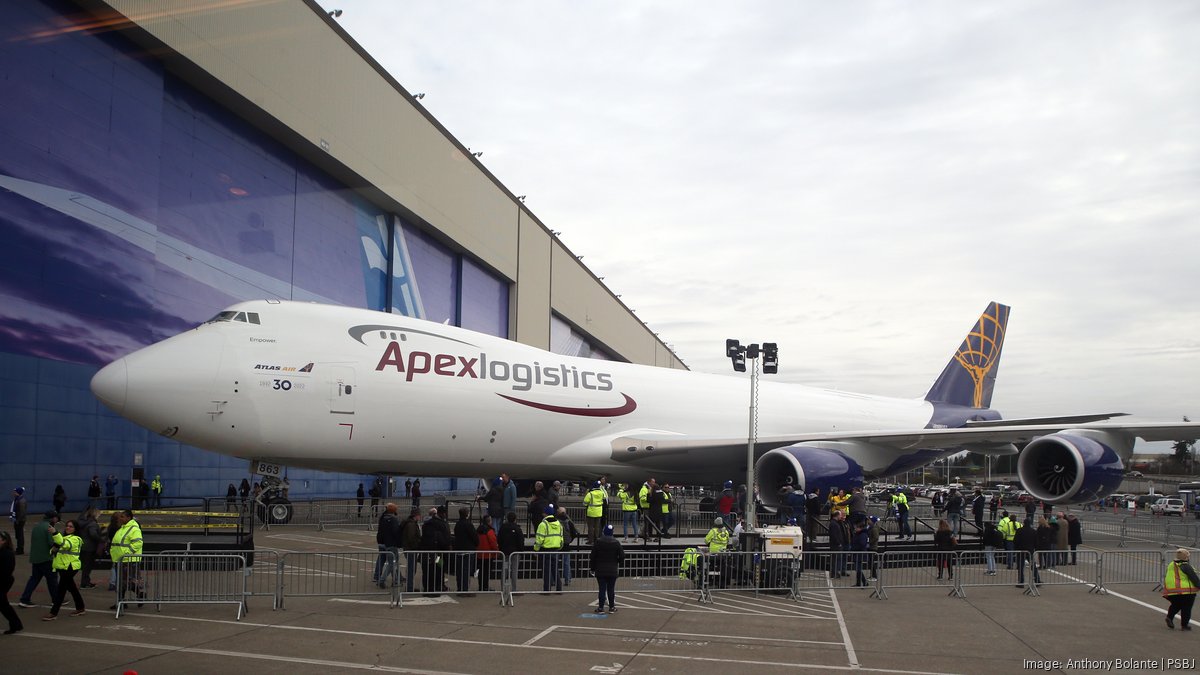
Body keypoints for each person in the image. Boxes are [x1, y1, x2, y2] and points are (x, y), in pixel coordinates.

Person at [43, 519, 85, 620]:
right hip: (63, 567)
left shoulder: (76, 539)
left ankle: (53, 612)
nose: (68, 528)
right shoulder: (64, 538)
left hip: (70, 567)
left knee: (61, 590)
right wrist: (53, 550)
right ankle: (80, 607)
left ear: (75, 529)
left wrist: (55, 533)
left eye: (71, 526)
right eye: (67, 525)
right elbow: (56, 548)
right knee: (72, 588)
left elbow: (65, 544)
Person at [17, 510, 60, 608]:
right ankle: (56, 599)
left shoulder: (37, 527)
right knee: (52, 580)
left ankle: (25, 599)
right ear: (53, 518)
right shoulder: (49, 528)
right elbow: (52, 543)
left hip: (36, 558)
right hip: (46, 558)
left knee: (34, 579)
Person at [109, 509, 144, 609]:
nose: (120, 518)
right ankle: (126, 600)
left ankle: (122, 602)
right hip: (119, 560)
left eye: (122, 516)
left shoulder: (133, 529)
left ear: (129, 518)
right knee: (122, 582)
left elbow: (138, 543)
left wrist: (126, 554)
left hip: (128, 560)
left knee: (124, 582)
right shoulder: (122, 528)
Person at [1163, 548, 1199, 630]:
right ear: (1186, 557)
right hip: (1186, 591)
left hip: (1173, 591)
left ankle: (1169, 617)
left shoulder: (1172, 564)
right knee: (1186, 608)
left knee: (1176, 605)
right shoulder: (1186, 566)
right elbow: (1194, 578)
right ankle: (1184, 625)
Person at [591, 524, 624, 613]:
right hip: (612, 569)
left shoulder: (598, 542)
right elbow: (622, 556)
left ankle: (601, 607)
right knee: (611, 589)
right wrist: (617, 562)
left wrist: (592, 568)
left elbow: (593, 556)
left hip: (600, 569)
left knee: (602, 589)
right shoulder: (616, 542)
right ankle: (612, 607)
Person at [418, 507, 450, 595]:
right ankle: (437, 587)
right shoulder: (441, 524)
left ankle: (430, 588)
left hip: (428, 552)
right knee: (438, 569)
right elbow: (445, 540)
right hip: (438, 553)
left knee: (429, 571)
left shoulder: (427, 524)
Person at [534, 504, 564, 592]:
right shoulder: (558, 523)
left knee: (546, 571)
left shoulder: (543, 524)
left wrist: (536, 549)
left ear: (545, 514)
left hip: (545, 550)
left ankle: (547, 589)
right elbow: (561, 537)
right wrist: (559, 547)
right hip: (555, 549)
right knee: (555, 570)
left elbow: (539, 539)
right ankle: (559, 589)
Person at [451, 507, 478, 595]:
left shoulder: (458, 524)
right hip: (468, 550)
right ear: (467, 514)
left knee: (460, 571)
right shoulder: (468, 524)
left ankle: (460, 588)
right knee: (466, 571)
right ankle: (465, 590)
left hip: (459, 550)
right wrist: (476, 544)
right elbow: (474, 536)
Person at [374, 503, 402, 588]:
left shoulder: (383, 518)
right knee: (392, 563)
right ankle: (382, 580)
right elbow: (396, 532)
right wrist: (400, 542)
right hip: (391, 544)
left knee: (391, 562)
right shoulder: (393, 519)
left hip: (383, 542)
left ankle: (396, 581)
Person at [497, 512, 525, 593]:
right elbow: (520, 541)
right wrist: (521, 551)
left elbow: (499, 539)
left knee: (504, 570)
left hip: (505, 552)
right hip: (515, 552)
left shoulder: (502, 527)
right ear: (515, 519)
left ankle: (503, 588)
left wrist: (501, 548)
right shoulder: (517, 528)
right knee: (514, 570)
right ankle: (514, 589)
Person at [0, 532, 21, 635]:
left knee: (3, 604)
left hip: (4, 581)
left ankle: (15, 624)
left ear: (4, 541)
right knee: (3, 605)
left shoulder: (7, 553)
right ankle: (16, 624)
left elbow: (6, 571)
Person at [77, 507, 102, 589]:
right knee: (88, 566)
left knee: (85, 566)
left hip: (83, 546)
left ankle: (85, 582)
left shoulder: (83, 522)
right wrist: (100, 539)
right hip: (90, 547)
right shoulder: (92, 524)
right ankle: (85, 583)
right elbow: (93, 534)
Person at [556, 506, 581, 586]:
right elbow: (574, 533)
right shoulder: (568, 521)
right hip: (566, 544)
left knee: (555, 563)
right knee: (566, 563)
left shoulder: (556, 521)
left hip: (557, 544)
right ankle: (567, 580)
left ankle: (554, 580)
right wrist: (570, 540)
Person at [399, 508, 422, 592]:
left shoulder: (409, 523)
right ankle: (409, 587)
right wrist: (418, 545)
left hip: (408, 548)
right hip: (411, 549)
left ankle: (410, 586)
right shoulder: (411, 524)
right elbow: (411, 538)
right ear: (416, 515)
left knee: (411, 568)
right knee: (411, 569)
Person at [1014, 517, 1041, 587]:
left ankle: (1021, 582)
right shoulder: (1033, 531)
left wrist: (1016, 548)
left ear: (1024, 523)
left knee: (1020, 567)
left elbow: (1015, 541)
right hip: (1030, 550)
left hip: (1021, 550)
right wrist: (1035, 548)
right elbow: (1036, 542)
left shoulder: (1019, 530)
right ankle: (1037, 580)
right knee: (1033, 566)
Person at [476, 516, 499, 592]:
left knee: (481, 571)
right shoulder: (490, 531)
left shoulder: (478, 530)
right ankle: (485, 586)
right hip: (488, 554)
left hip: (479, 553)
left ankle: (481, 586)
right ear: (489, 521)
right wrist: (496, 551)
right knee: (486, 572)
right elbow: (493, 542)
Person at [828, 510, 850, 578]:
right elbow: (834, 535)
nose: (841, 516)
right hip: (836, 545)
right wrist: (838, 543)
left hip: (838, 544)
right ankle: (834, 573)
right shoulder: (834, 524)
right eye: (840, 515)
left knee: (837, 559)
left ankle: (836, 572)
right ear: (837, 515)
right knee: (836, 559)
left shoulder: (836, 523)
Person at [851, 520, 871, 587]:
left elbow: (862, 544)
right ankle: (859, 582)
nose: (855, 529)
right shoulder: (859, 534)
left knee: (858, 568)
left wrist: (855, 547)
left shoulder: (862, 534)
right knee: (857, 568)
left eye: (856, 528)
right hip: (857, 553)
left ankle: (864, 582)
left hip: (859, 553)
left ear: (860, 528)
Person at [9, 487, 26, 555]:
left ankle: (20, 549)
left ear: (18, 493)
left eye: (15, 492)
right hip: (18, 519)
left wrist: (18, 520)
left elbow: (22, 512)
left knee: (20, 535)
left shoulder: (21, 501)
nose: (14, 493)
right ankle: (19, 548)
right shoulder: (17, 499)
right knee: (18, 535)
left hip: (20, 520)